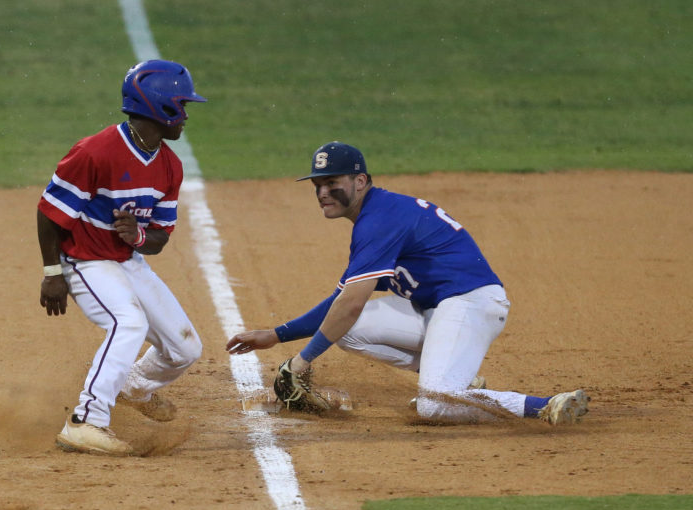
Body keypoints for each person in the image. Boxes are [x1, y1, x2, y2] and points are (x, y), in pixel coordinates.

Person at [225, 142, 589, 424]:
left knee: (434, 405)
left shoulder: (379, 221)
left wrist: (303, 361)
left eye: (332, 183)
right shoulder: (376, 215)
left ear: (360, 181)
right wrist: (277, 334)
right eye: (318, 185)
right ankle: (455, 377)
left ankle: (541, 406)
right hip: (437, 308)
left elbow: (350, 304)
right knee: (347, 330)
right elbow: (343, 302)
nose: (322, 193)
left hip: (470, 304)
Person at [36, 60, 207, 456]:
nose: (185, 116)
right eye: (183, 106)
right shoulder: (95, 152)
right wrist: (52, 273)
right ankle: (86, 421)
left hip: (128, 262)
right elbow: (48, 212)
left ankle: (132, 386)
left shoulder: (169, 166)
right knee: (128, 323)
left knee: (186, 349)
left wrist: (139, 235)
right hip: (84, 261)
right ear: (161, 109)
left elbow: (160, 237)